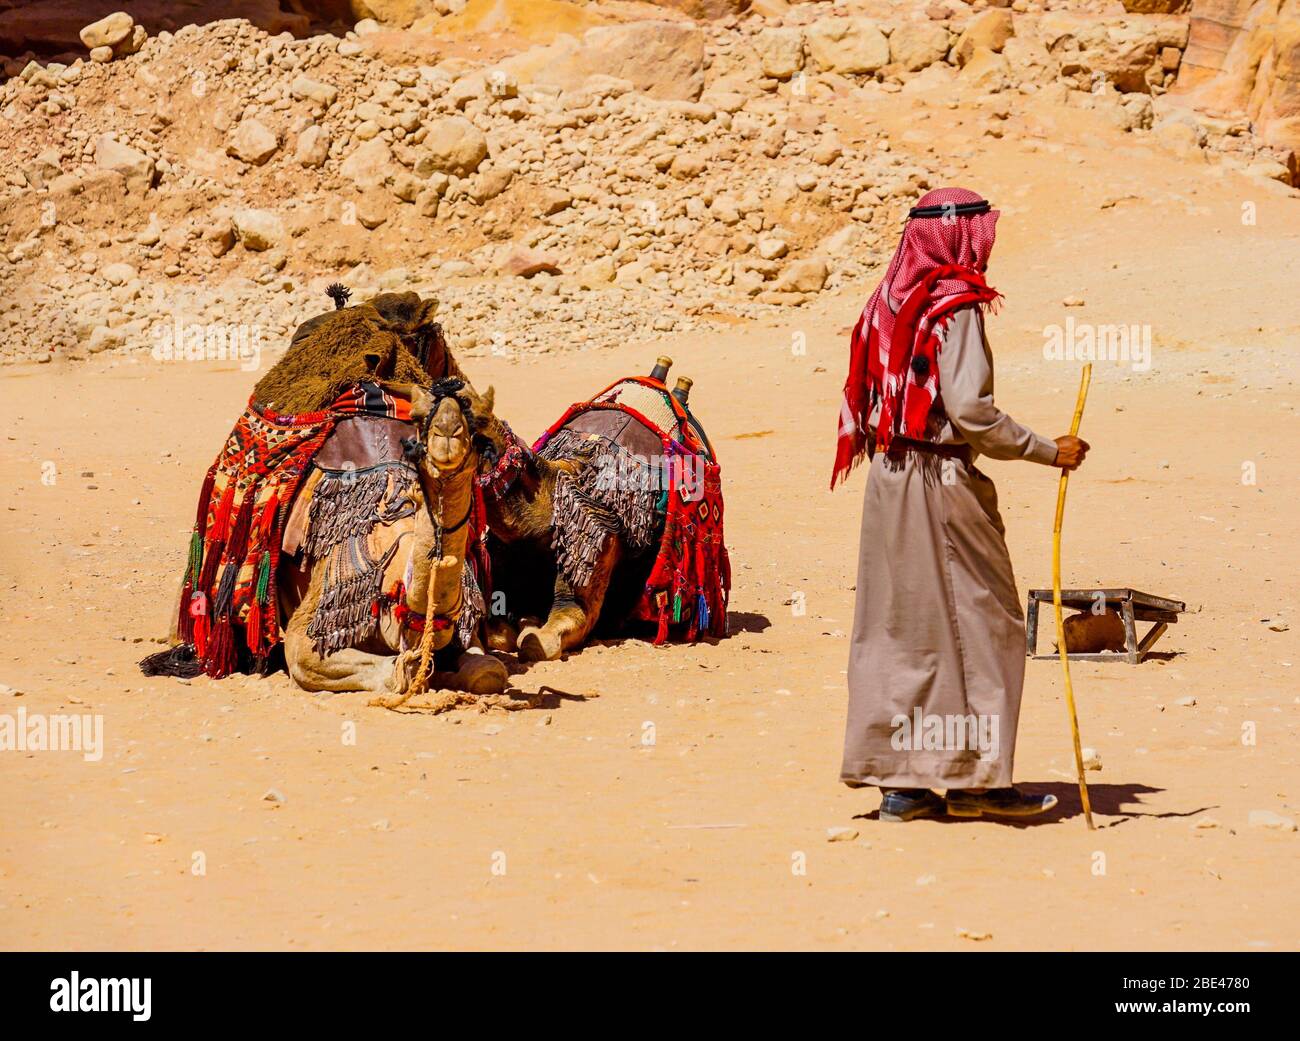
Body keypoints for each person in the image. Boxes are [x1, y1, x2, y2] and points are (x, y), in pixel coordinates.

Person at [832, 187, 1089, 822]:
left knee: (905, 628)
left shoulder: (886, 302)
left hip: (888, 478)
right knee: (986, 622)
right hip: (938, 479)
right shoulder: (954, 304)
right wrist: (1043, 450)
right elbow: (970, 409)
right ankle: (977, 782)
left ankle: (906, 783)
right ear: (959, 239)